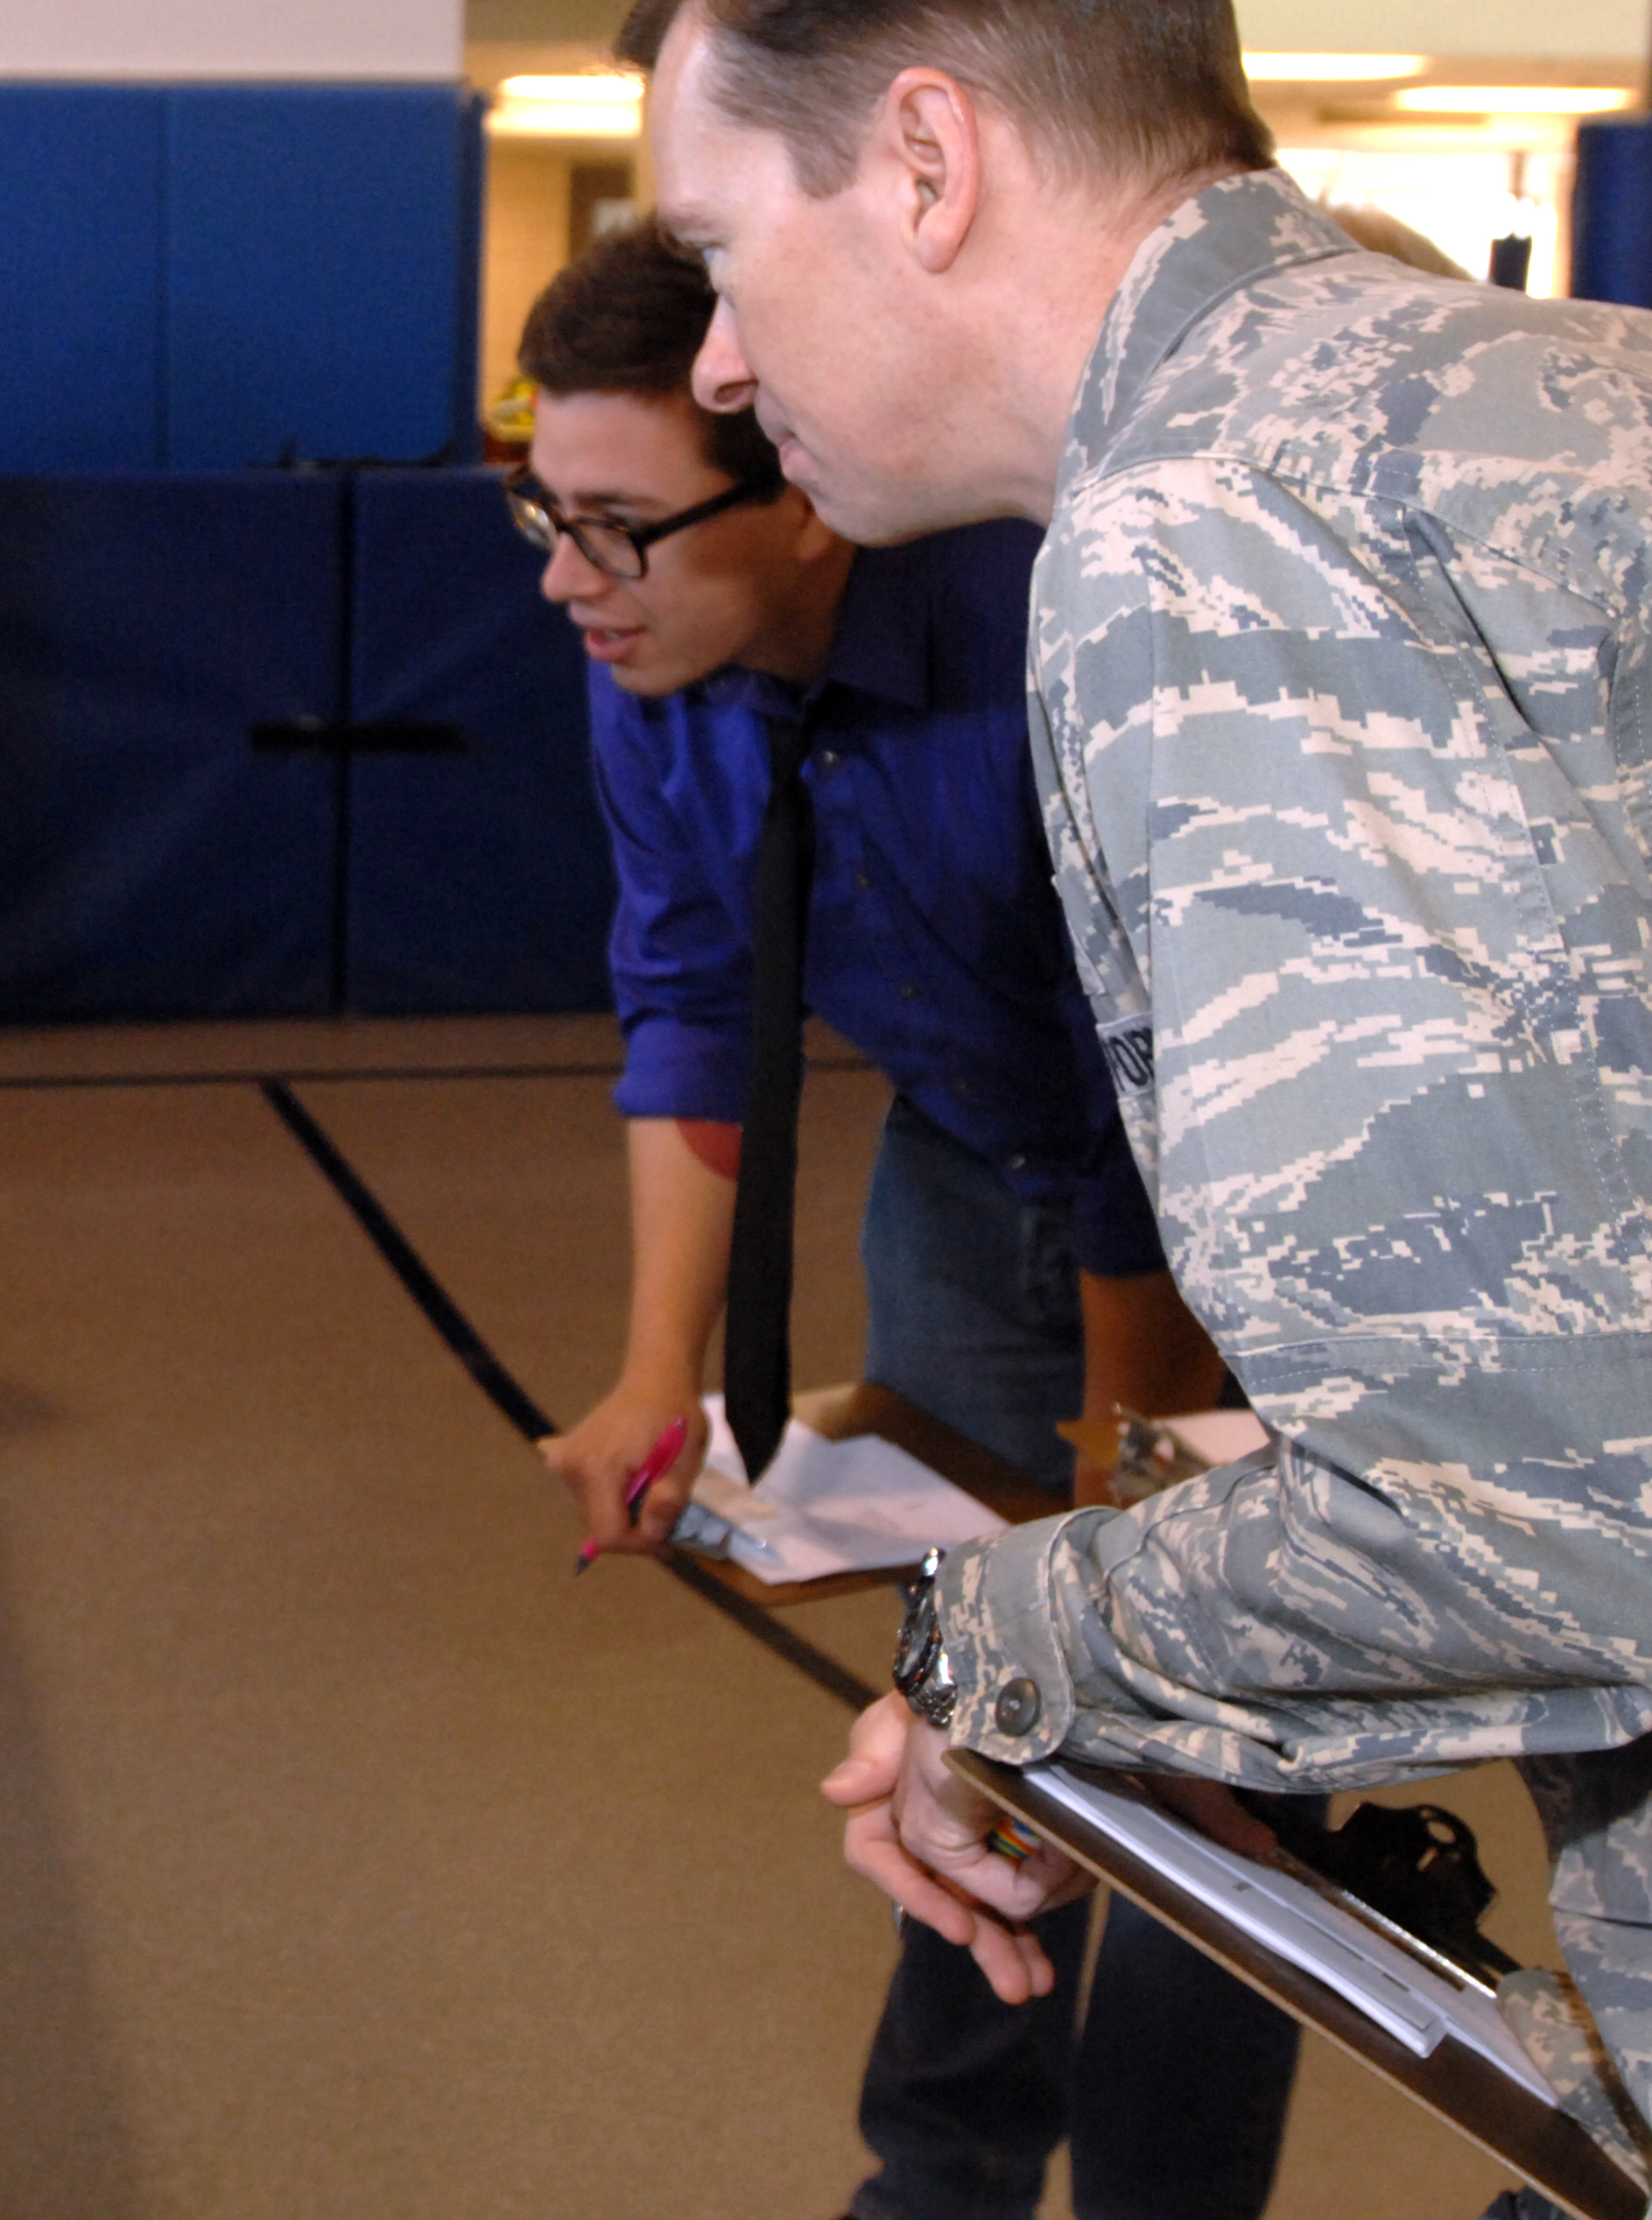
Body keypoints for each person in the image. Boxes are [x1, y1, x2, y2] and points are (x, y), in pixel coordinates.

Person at [622, 0, 1652, 2213]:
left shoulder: (1209, 529)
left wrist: (998, 1653)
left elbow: (1578, 1518)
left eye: (717, 242)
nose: (719, 356)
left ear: (921, 159)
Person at [519, 228, 1294, 2220]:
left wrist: (1120, 1487)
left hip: (1236, 1224)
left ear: (795, 485)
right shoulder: (653, 667)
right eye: (538, 511)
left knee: (1204, 1758)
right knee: (973, 1705)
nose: (560, 578)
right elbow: (692, 1004)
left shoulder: (1039, 643)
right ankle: (938, 2171)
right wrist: (645, 1375)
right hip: (965, 1174)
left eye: (613, 526)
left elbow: (1156, 1126)